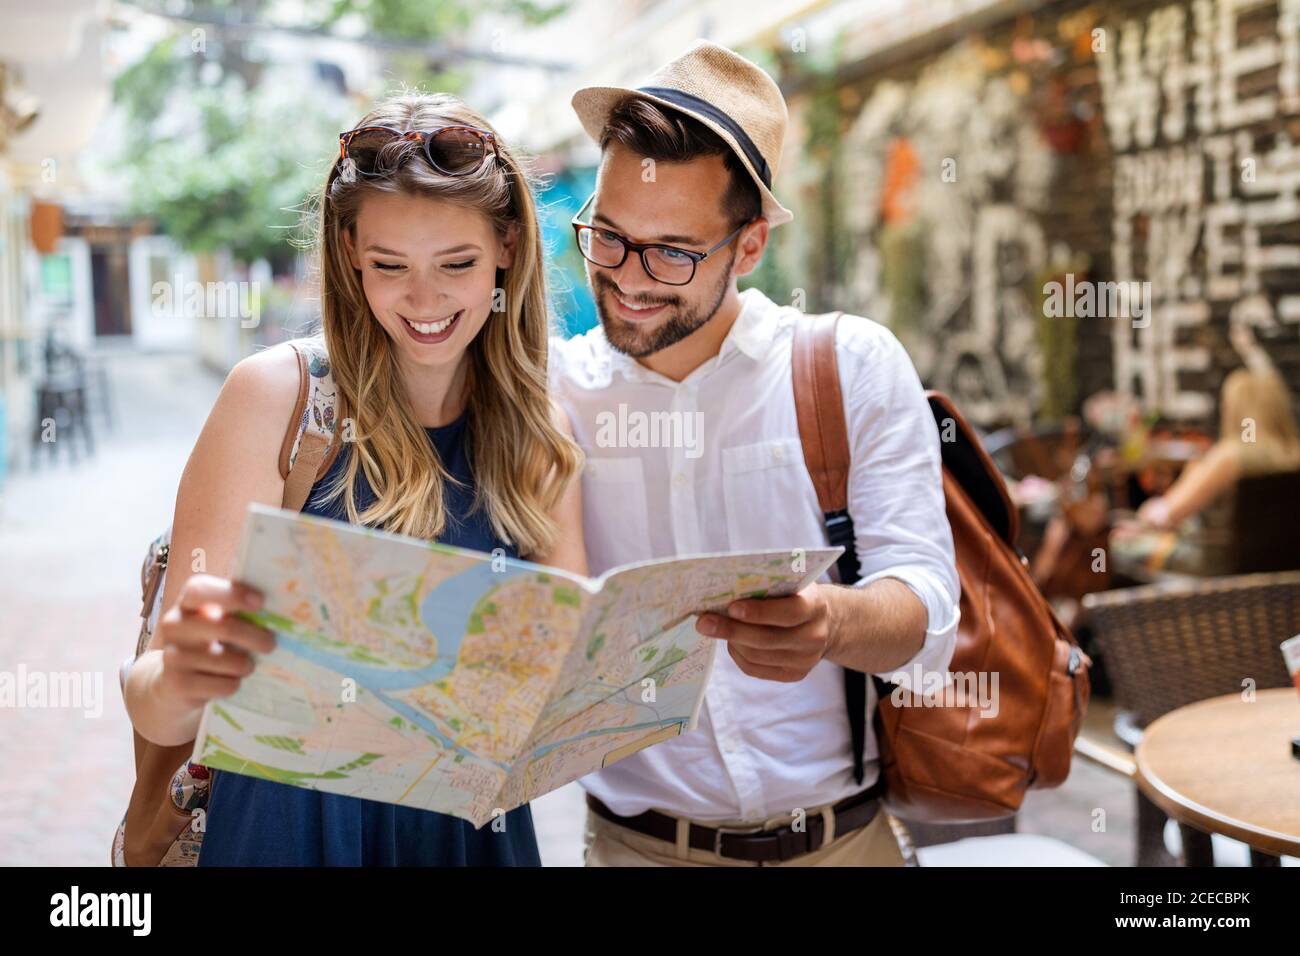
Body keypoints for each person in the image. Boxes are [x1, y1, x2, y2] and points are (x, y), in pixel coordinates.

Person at [122, 92, 586, 865]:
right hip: (292, 833)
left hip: (467, 834)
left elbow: (560, 684)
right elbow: (154, 705)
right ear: (348, 254)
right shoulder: (275, 399)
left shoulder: (540, 433)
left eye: (458, 264)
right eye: (390, 266)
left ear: (508, 245)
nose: (426, 299)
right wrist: (184, 671)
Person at [550, 41, 961, 866]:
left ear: (748, 248)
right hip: (634, 848)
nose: (628, 279)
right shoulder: (553, 393)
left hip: (843, 843)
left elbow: (928, 615)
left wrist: (830, 621)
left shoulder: (846, 365)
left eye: (672, 251)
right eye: (608, 236)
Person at [1112, 367, 1300, 576]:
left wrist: (1187, 480)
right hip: (1283, 577)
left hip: (1216, 569)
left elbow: (1164, 514)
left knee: (1111, 546)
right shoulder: (1294, 456)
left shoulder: (1229, 457)